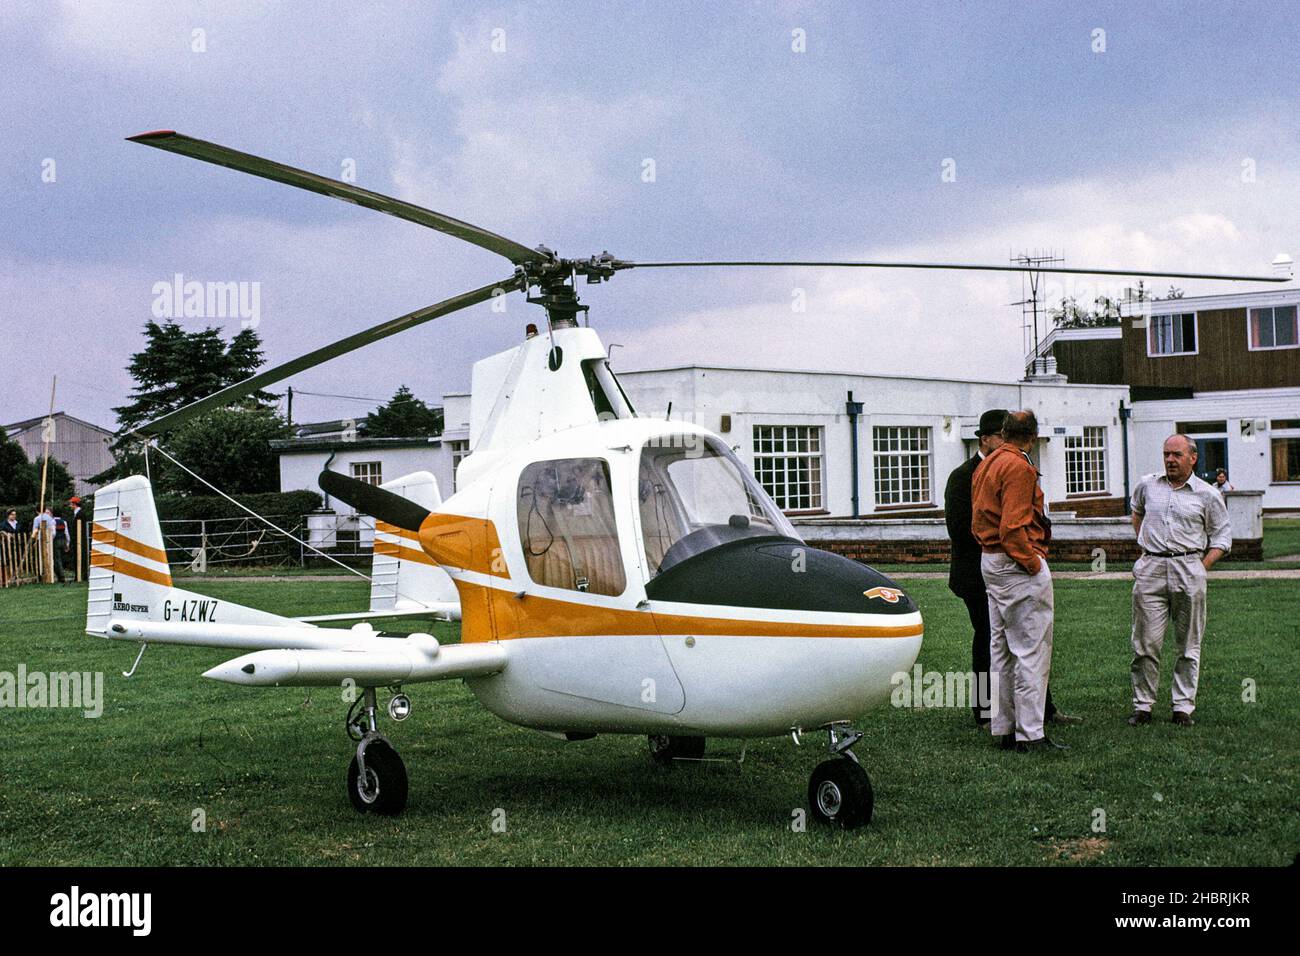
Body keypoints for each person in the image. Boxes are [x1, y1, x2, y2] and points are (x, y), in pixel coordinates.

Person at [946, 409, 1078, 729]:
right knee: (996, 643)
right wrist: (1025, 560)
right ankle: (987, 710)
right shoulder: (967, 474)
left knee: (1013, 645)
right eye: (996, 436)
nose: (1002, 441)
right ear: (986, 439)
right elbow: (962, 527)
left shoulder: (996, 466)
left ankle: (1031, 711)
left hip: (995, 563)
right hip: (982, 570)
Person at [971, 410, 1065, 753]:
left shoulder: (987, 463)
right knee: (1030, 649)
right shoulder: (1019, 466)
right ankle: (1031, 733)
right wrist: (1032, 562)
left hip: (990, 560)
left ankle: (1005, 727)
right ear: (1033, 436)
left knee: (1001, 649)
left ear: (1005, 432)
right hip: (1014, 561)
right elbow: (1012, 527)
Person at [1128, 435, 1232, 727]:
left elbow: (1222, 538)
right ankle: (1143, 706)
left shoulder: (1208, 494)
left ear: (1193, 458)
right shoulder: (1148, 485)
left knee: (1188, 643)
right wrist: (1146, 546)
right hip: (1151, 568)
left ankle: (1182, 707)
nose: (1170, 460)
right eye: (1166, 454)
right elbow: (1137, 512)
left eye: (1176, 454)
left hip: (1189, 566)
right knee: (1144, 643)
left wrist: (1201, 567)